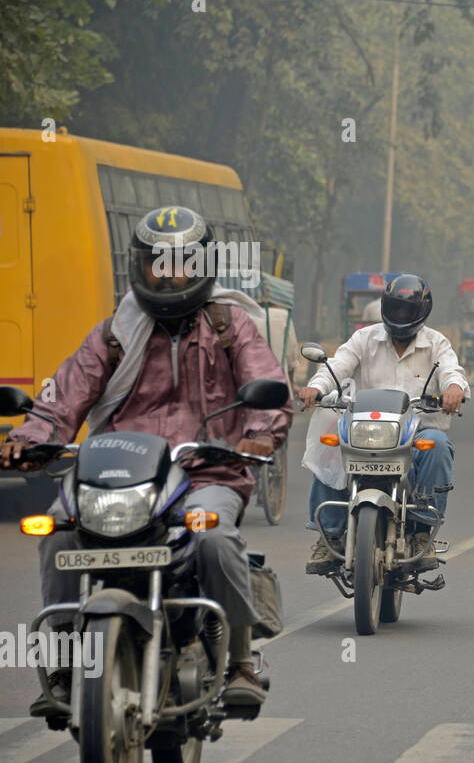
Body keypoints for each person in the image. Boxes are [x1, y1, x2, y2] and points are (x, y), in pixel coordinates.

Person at [0, 206, 292, 711]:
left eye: (182, 261)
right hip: (117, 477)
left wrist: (260, 436)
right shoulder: (115, 333)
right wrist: (31, 438)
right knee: (58, 529)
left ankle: (242, 659)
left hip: (206, 471)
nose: (171, 273)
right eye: (159, 262)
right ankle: (67, 662)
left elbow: (267, 386)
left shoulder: (230, 325)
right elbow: (63, 396)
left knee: (216, 536)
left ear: (202, 265)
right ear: (141, 266)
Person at [300, 274, 467, 575]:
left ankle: (421, 534)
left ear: (421, 312)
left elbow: (452, 371)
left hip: (416, 431)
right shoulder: (365, 338)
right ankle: (330, 536)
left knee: (439, 446)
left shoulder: (437, 343)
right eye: (396, 309)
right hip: (366, 426)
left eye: (407, 310)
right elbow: (337, 366)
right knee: (330, 443)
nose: (401, 316)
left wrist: (454, 388)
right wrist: (317, 386)